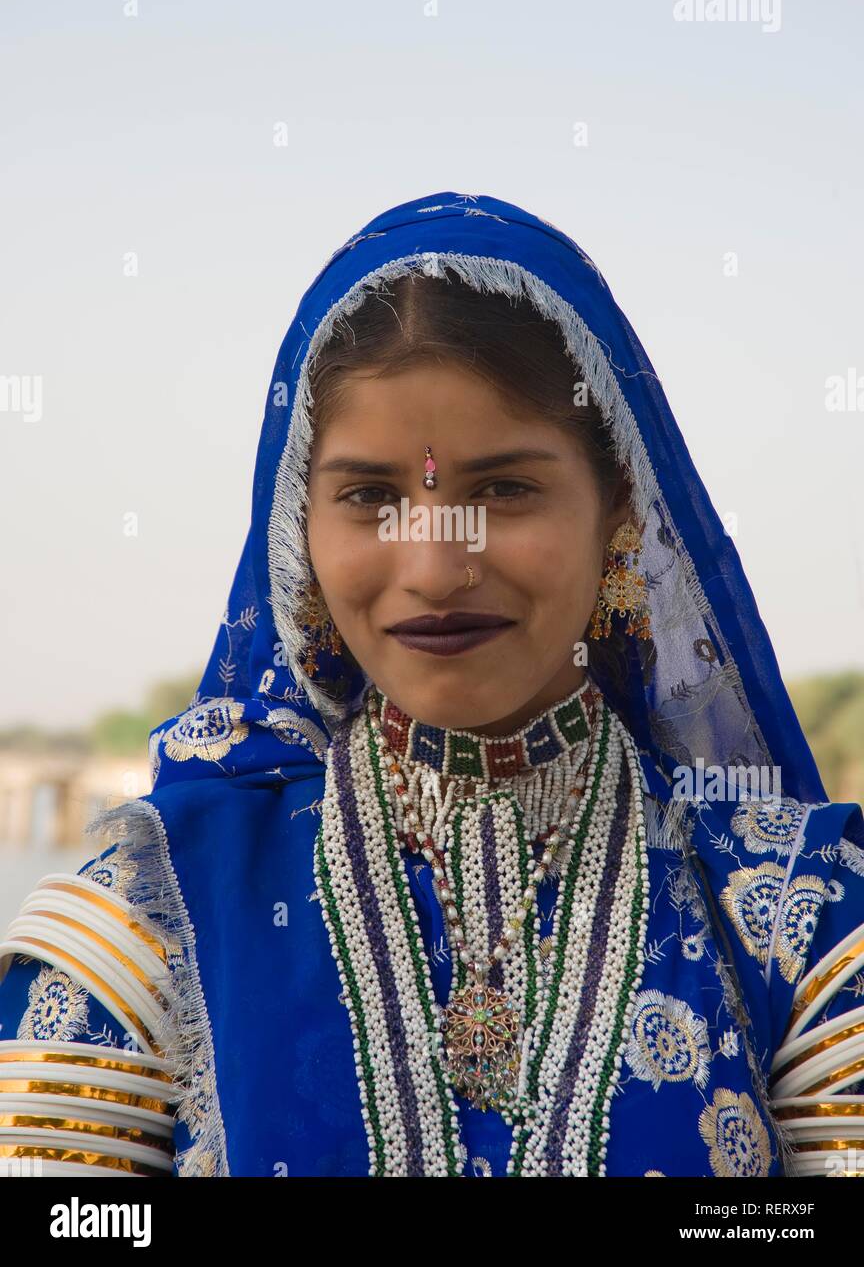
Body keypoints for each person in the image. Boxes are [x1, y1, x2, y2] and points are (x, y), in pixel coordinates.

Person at [1, 190, 863, 1179]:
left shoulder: (803, 922)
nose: (436, 568)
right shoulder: (153, 922)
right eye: (371, 496)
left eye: (502, 489)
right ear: (298, 524)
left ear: (619, 506)